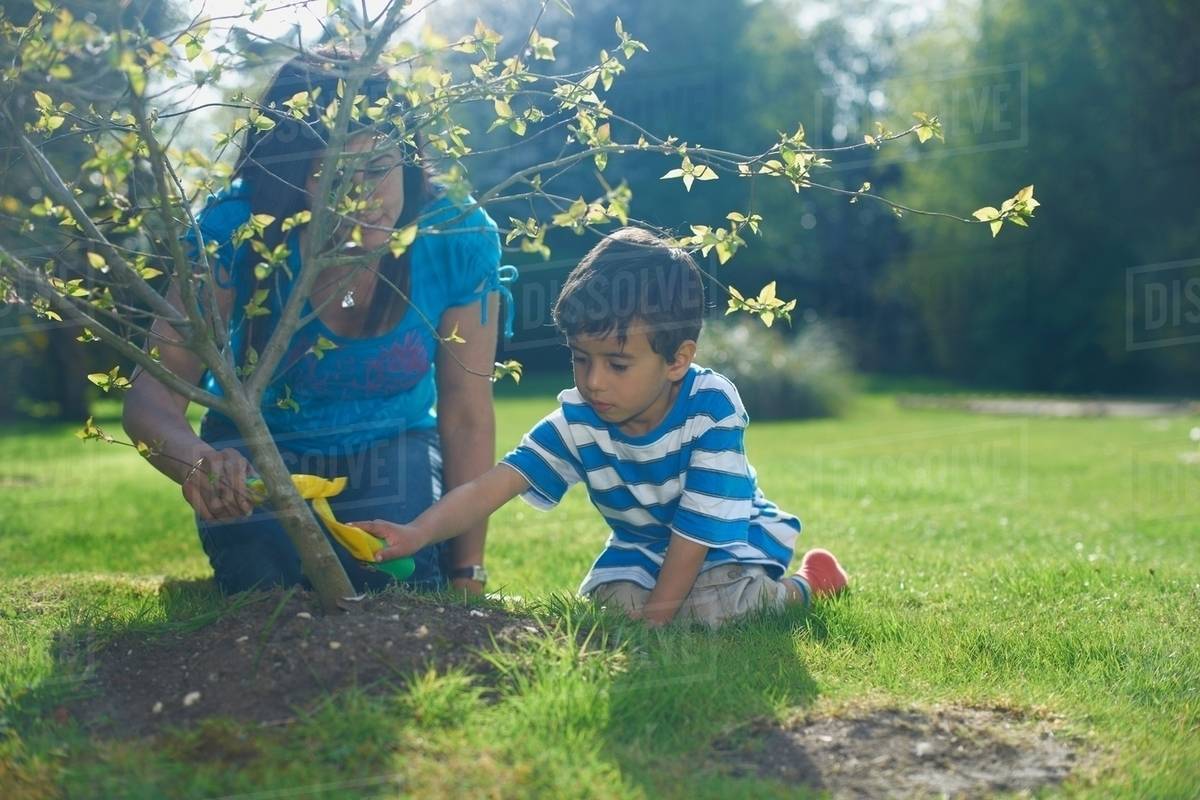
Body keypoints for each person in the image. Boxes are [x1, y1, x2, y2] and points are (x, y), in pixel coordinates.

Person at [122, 48, 509, 596]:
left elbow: (467, 414)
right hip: (261, 449)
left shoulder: (457, 235)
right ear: (291, 181)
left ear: (407, 156)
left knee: (394, 581)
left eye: (379, 167)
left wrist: (467, 573)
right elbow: (150, 399)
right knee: (266, 588)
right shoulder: (236, 231)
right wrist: (199, 462)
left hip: (391, 441)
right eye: (335, 175)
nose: (365, 199)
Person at [356, 227, 848, 628]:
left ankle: (805, 586)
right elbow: (493, 486)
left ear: (677, 360)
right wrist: (416, 533)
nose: (593, 382)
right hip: (640, 549)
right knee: (612, 609)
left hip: (721, 543)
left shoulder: (711, 408)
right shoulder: (581, 419)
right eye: (580, 359)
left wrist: (658, 620)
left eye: (617, 364)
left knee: (706, 606)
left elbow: (697, 531)